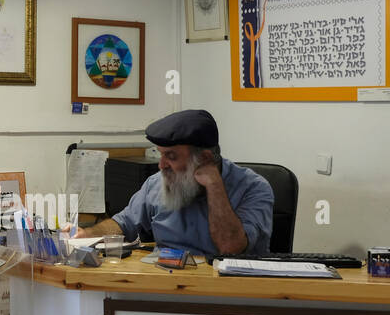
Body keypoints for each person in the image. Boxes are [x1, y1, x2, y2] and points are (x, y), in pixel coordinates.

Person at [71, 109, 273, 257]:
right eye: (160, 155)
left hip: (230, 294)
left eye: (171, 156)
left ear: (204, 158)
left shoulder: (254, 188)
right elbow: (123, 224)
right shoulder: (156, 184)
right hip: (166, 285)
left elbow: (230, 246)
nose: (161, 165)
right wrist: (87, 234)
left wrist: (214, 186)